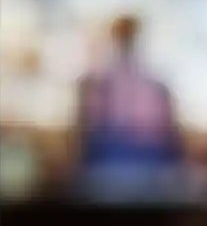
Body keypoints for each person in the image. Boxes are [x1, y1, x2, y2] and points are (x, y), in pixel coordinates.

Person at [74, 15, 185, 202]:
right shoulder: (100, 82)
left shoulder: (152, 82)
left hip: (138, 169)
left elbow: (171, 135)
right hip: (117, 168)